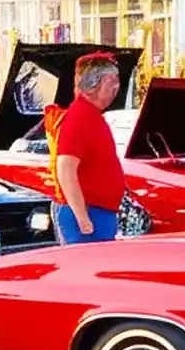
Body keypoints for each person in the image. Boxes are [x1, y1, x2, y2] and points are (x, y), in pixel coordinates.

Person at [45, 51, 126, 244]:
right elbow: (65, 167)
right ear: (93, 84)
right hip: (87, 214)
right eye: (111, 81)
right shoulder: (79, 118)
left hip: (97, 212)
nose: (116, 87)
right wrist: (82, 217)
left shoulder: (91, 116)